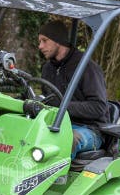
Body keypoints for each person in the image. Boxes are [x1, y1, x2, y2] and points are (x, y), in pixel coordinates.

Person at [38, 20, 109, 158]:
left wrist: (62, 107)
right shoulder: (48, 68)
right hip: (58, 124)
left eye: (44, 40)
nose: (40, 46)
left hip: (89, 129)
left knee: (66, 140)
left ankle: (57, 178)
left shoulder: (87, 67)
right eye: (39, 41)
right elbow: (47, 99)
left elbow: (99, 107)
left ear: (58, 40)